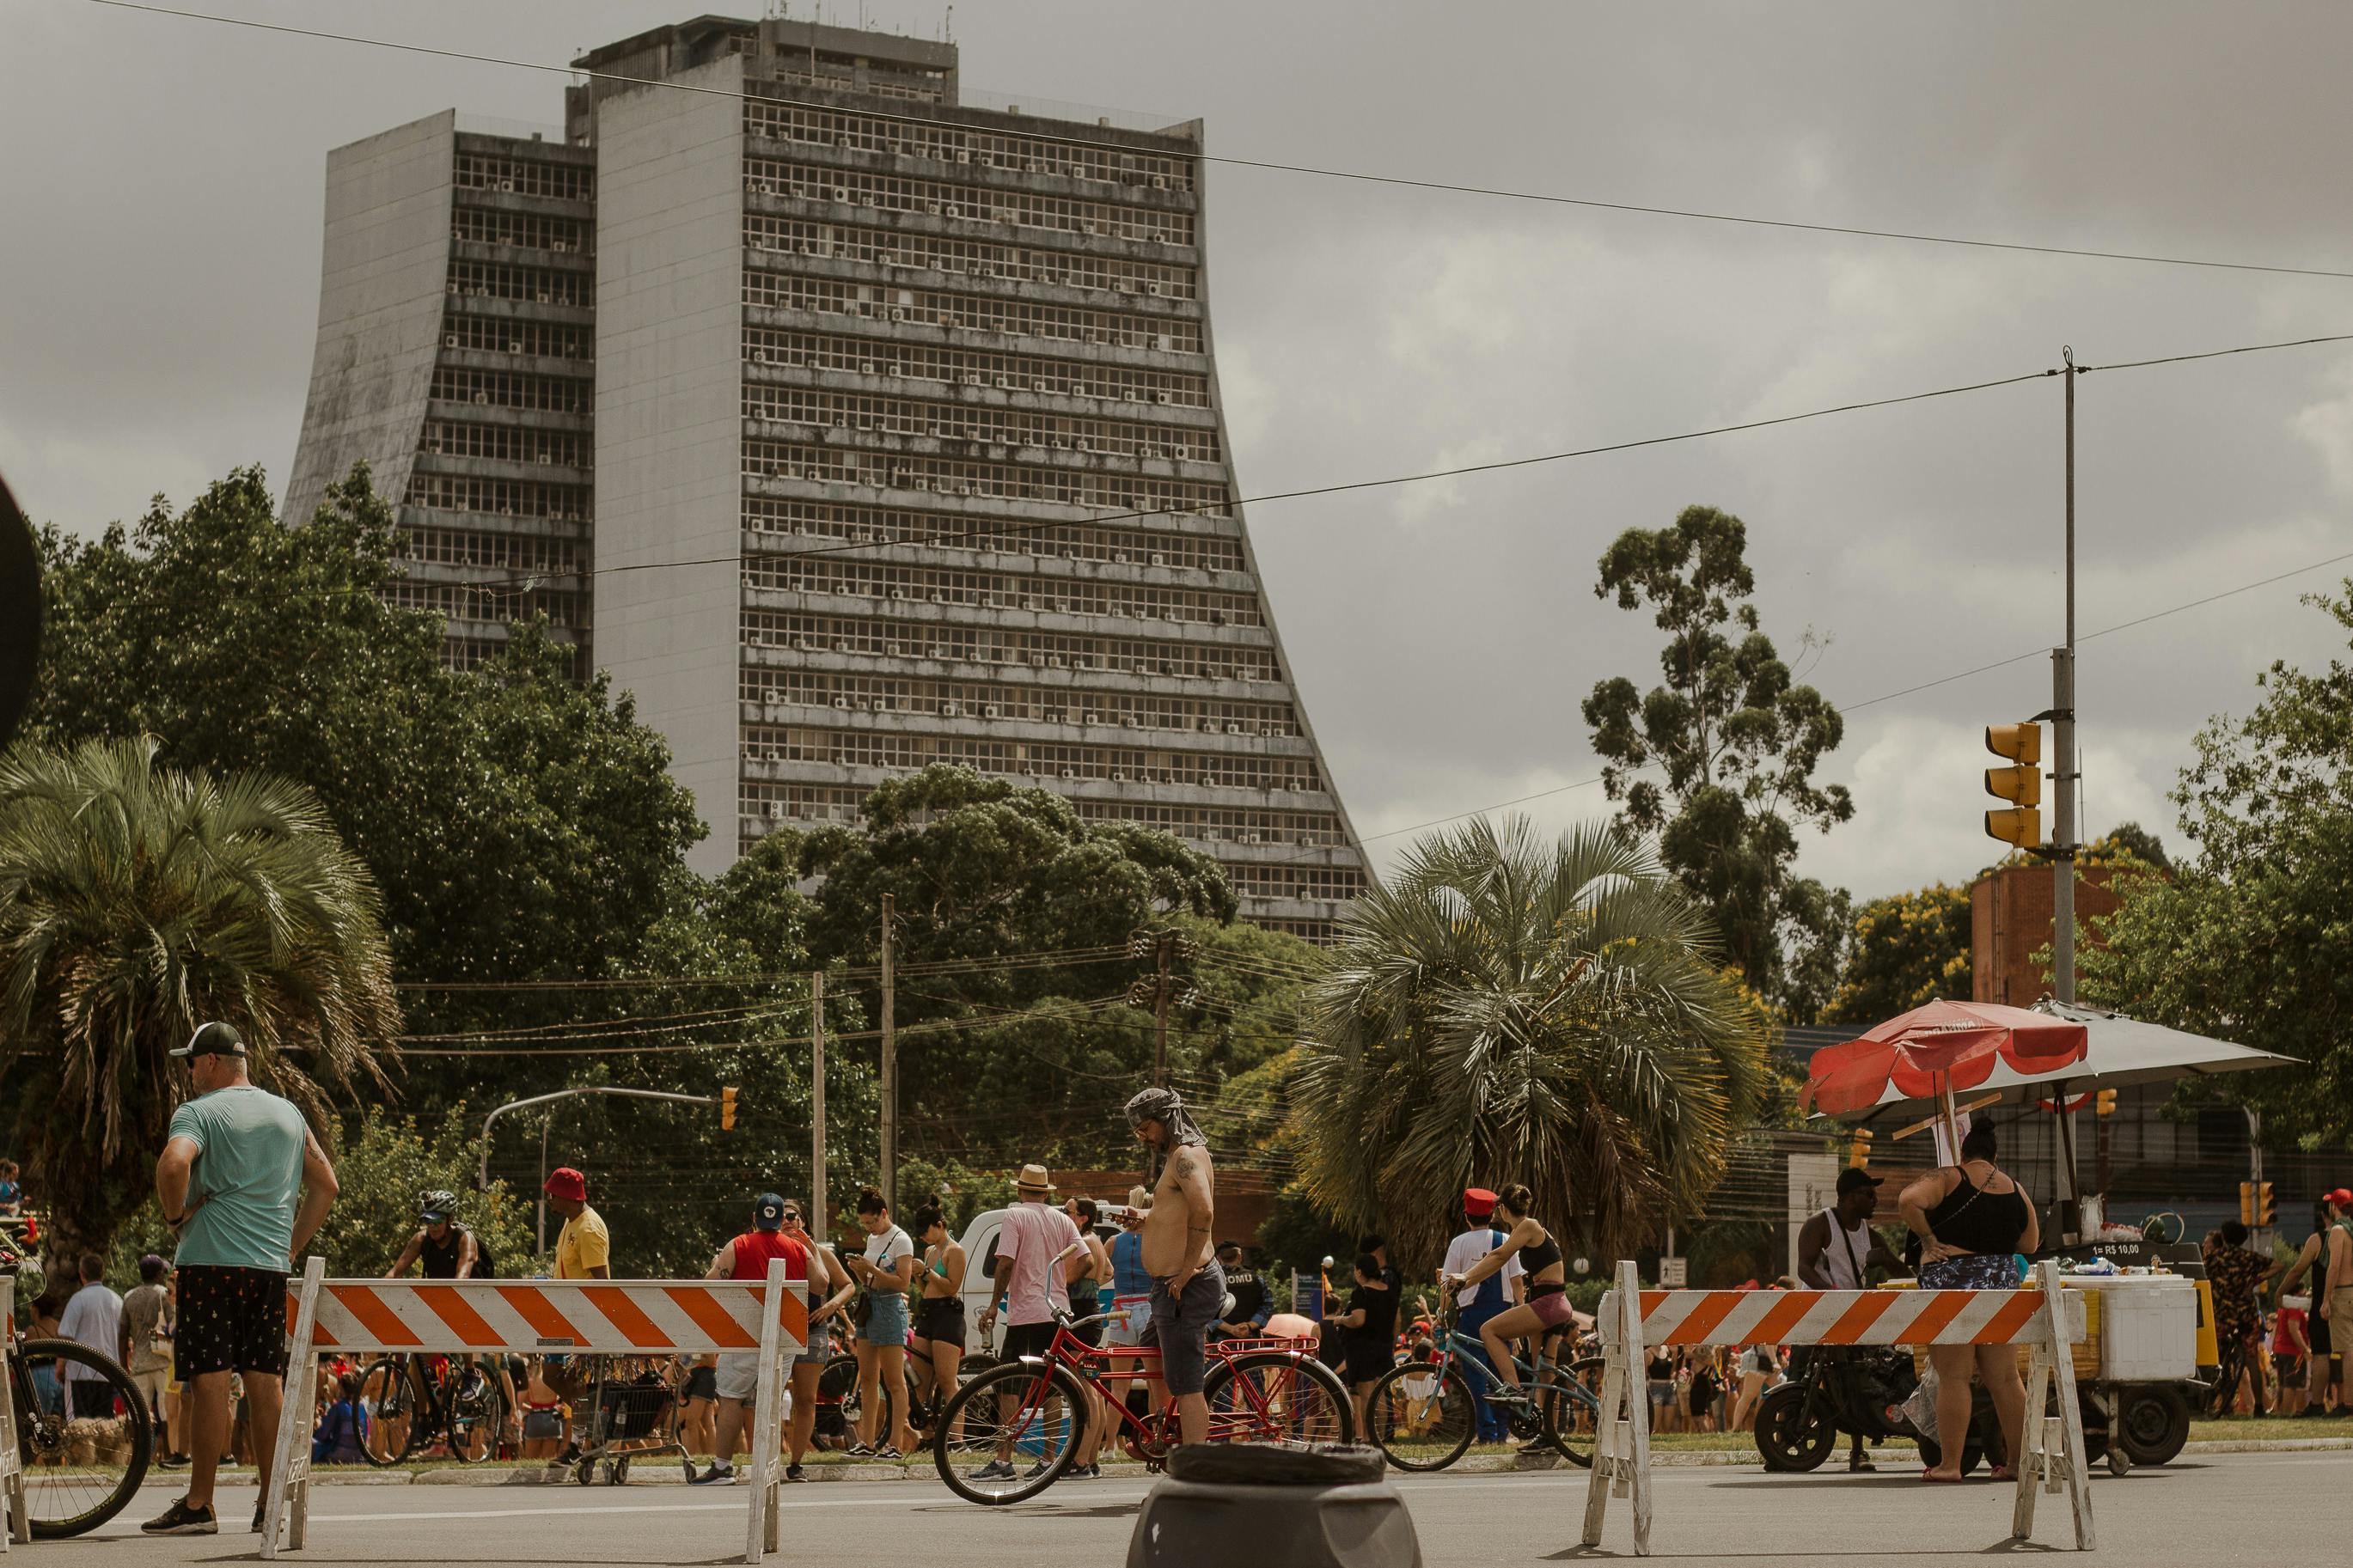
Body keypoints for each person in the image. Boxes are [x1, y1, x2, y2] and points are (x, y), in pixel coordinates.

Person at [144, 1022, 339, 1537]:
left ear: (210, 1062)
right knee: (263, 1380)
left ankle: (200, 1504)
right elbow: (326, 1186)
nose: (187, 1074)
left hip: (210, 1264)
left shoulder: (199, 1113)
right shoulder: (288, 1114)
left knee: (210, 1382)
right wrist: (291, 1245)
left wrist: (174, 1216)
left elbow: (171, 1165)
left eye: (190, 1063)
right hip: (269, 1268)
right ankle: (268, 1501)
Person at [1898, 1119, 2037, 1482]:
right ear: (1996, 1154)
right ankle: (2019, 1464)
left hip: (1953, 1281)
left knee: (1954, 1376)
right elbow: (2029, 1244)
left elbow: (1908, 1200)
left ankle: (1951, 1465)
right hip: (2001, 1285)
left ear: (1964, 1152)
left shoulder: (1948, 1178)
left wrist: (1928, 1240)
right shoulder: (2015, 1189)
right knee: (2006, 1379)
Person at [690, 1193, 810, 1486]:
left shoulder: (739, 1244)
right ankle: (768, 1469)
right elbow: (820, 1283)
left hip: (744, 1337)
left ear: (754, 1218)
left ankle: (722, 1468)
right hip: (785, 1338)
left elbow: (711, 1282)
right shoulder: (797, 1248)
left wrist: (717, 1263)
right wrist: (812, 1251)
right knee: (768, 1404)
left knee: (731, 1400)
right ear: (783, 1221)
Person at [975, 1163, 1083, 1480]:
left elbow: (1005, 1262)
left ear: (1020, 1190)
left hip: (1025, 1314)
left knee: (1009, 1385)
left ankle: (1003, 1460)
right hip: (1056, 1310)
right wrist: (1060, 1284)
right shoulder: (1062, 1218)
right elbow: (1086, 1258)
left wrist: (995, 1305)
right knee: (1049, 1386)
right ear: (1045, 1192)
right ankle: (1049, 1461)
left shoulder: (1015, 1215)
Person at [1129, 1086, 1220, 1448]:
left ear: (1166, 1119)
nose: (1143, 1137)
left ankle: (1196, 1467)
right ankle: (1167, 1431)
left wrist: (1185, 1271)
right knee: (1150, 1345)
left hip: (1185, 1285)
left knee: (1186, 1383)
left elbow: (1204, 1211)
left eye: (1146, 1128)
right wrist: (1144, 1218)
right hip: (1169, 1287)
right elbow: (1174, 1214)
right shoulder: (1177, 1157)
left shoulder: (1185, 1156)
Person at [1796, 1165, 1904, 1470]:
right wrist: (1832, 1296)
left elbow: (1898, 1270)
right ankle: (1793, 1430)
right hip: (1817, 1316)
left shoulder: (1871, 1236)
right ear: (1847, 1197)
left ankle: (1858, 1451)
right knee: (1800, 1376)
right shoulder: (1819, 1224)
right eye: (1867, 1194)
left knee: (1855, 1379)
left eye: (1874, 1194)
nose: (1874, 1199)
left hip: (1853, 1318)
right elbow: (1804, 1268)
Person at [1439, 1185, 1569, 1413]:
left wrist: (1465, 1275)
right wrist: (1465, 1282)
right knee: (1545, 1376)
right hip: (1553, 1302)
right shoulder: (1529, 1229)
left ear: (1502, 1210)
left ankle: (1512, 1386)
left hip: (1547, 1302)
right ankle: (1550, 1435)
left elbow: (1499, 1256)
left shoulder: (1528, 1226)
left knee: (1489, 1331)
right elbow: (1498, 1267)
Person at [774, 1198, 854, 1479]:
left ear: (803, 1221)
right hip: (779, 1330)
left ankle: (795, 1464)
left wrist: (831, 1307)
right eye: (781, 1217)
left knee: (806, 1400)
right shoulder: (773, 1250)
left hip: (812, 1329)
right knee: (773, 1396)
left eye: (792, 1216)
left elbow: (848, 1285)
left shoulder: (819, 1251)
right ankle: (771, 1457)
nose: (787, 1221)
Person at [1443, 1187, 1525, 1444]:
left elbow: (1448, 1284)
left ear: (1467, 1216)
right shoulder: (1505, 1238)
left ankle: (1486, 1432)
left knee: (1476, 1377)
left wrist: (1440, 1313)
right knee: (1502, 1372)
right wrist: (1520, 1311)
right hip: (1502, 1312)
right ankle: (1503, 1430)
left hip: (1471, 1315)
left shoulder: (1459, 1243)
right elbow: (1517, 1281)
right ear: (1492, 1214)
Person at [541, 1165, 608, 1464]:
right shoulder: (570, 1222)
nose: (549, 1200)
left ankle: (579, 1445)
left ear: (567, 1196)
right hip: (563, 1315)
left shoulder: (589, 1227)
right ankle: (591, 1422)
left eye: (552, 1195)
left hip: (584, 1318)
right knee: (551, 1374)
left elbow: (603, 1282)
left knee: (579, 1382)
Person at [844, 1186, 916, 1459]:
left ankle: (896, 1443)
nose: (869, 1228)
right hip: (869, 1304)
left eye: (872, 1221)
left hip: (889, 1307)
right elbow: (869, 1280)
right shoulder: (872, 1240)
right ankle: (867, 1441)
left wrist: (871, 1269)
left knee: (894, 1381)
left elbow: (903, 1282)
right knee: (868, 1378)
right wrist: (860, 1272)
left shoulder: (901, 1240)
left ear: (883, 1214)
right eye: (864, 1223)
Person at [1062, 1196, 1114, 1474]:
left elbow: (1067, 1276)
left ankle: (1081, 1459)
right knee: (1093, 1388)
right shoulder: (1096, 1239)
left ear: (1082, 1217)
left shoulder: (1084, 1243)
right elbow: (1109, 1270)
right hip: (1088, 1312)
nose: (1063, 1215)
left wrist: (1077, 1282)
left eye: (1067, 1211)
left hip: (1082, 1315)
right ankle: (1090, 1458)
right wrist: (1093, 1285)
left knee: (1085, 1389)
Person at [1323, 1253, 1400, 1433]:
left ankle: (1369, 1438)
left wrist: (1341, 1320)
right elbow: (1397, 1321)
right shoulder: (1390, 1292)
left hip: (1363, 1348)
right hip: (1384, 1347)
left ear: (1359, 1271)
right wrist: (1391, 1343)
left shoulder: (1362, 1291)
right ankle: (1380, 1437)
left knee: (1367, 1397)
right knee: (1380, 1396)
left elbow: (1358, 1320)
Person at [2203, 1219, 2273, 1416]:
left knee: (2215, 1359)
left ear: (2223, 1237)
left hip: (2223, 1315)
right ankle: (2259, 1407)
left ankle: (2215, 1403)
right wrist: (2255, 1280)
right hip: (2246, 1315)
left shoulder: (2215, 1257)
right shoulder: (2249, 1257)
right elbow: (2278, 1266)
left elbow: (2200, 1275)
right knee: (2251, 1361)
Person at [908, 1200, 967, 1429]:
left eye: (926, 1232)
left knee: (946, 1379)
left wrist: (926, 1271)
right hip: (928, 1312)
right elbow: (925, 1290)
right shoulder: (929, 1251)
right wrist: (917, 1276)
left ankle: (957, 1438)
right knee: (920, 1381)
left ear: (940, 1225)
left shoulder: (955, 1251)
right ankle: (927, 1435)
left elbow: (952, 1287)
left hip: (948, 1315)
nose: (923, 1237)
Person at [1104, 1191, 1158, 1424]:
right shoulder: (1157, 1241)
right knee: (1155, 1382)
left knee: (1118, 1386)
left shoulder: (1114, 1242)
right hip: (1149, 1307)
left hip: (1121, 1310)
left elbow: (1103, 1273)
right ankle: (1155, 1436)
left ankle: (1108, 1448)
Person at [57, 1252, 125, 1420]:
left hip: (80, 1373)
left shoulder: (78, 1299)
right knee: (104, 1428)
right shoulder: (117, 1301)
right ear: (103, 1273)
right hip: (108, 1371)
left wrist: (60, 1365)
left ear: (81, 1274)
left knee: (78, 1427)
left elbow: (66, 1337)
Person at [121, 1254, 174, 1439]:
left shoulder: (129, 1296)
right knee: (166, 1412)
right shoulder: (164, 1294)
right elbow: (173, 1323)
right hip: (163, 1362)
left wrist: (122, 1365)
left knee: (137, 1413)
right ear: (159, 1274)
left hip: (139, 1363)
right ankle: (169, 1453)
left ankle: (137, 1452)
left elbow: (123, 1333)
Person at [1213, 1242, 1276, 1339]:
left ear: (1218, 1258)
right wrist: (1250, 1325)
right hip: (1250, 1339)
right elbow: (1268, 1305)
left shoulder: (1211, 1282)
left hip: (1221, 1341)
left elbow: (1204, 1309)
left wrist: (1230, 1329)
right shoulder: (1257, 1279)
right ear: (1239, 1257)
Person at [311, 1372, 369, 1465]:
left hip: (339, 1453)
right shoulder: (362, 1407)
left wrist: (316, 1427)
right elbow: (364, 1433)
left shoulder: (338, 1407)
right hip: (359, 1454)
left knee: (310, 1442)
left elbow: (323, 1435)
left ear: (342, 1388)